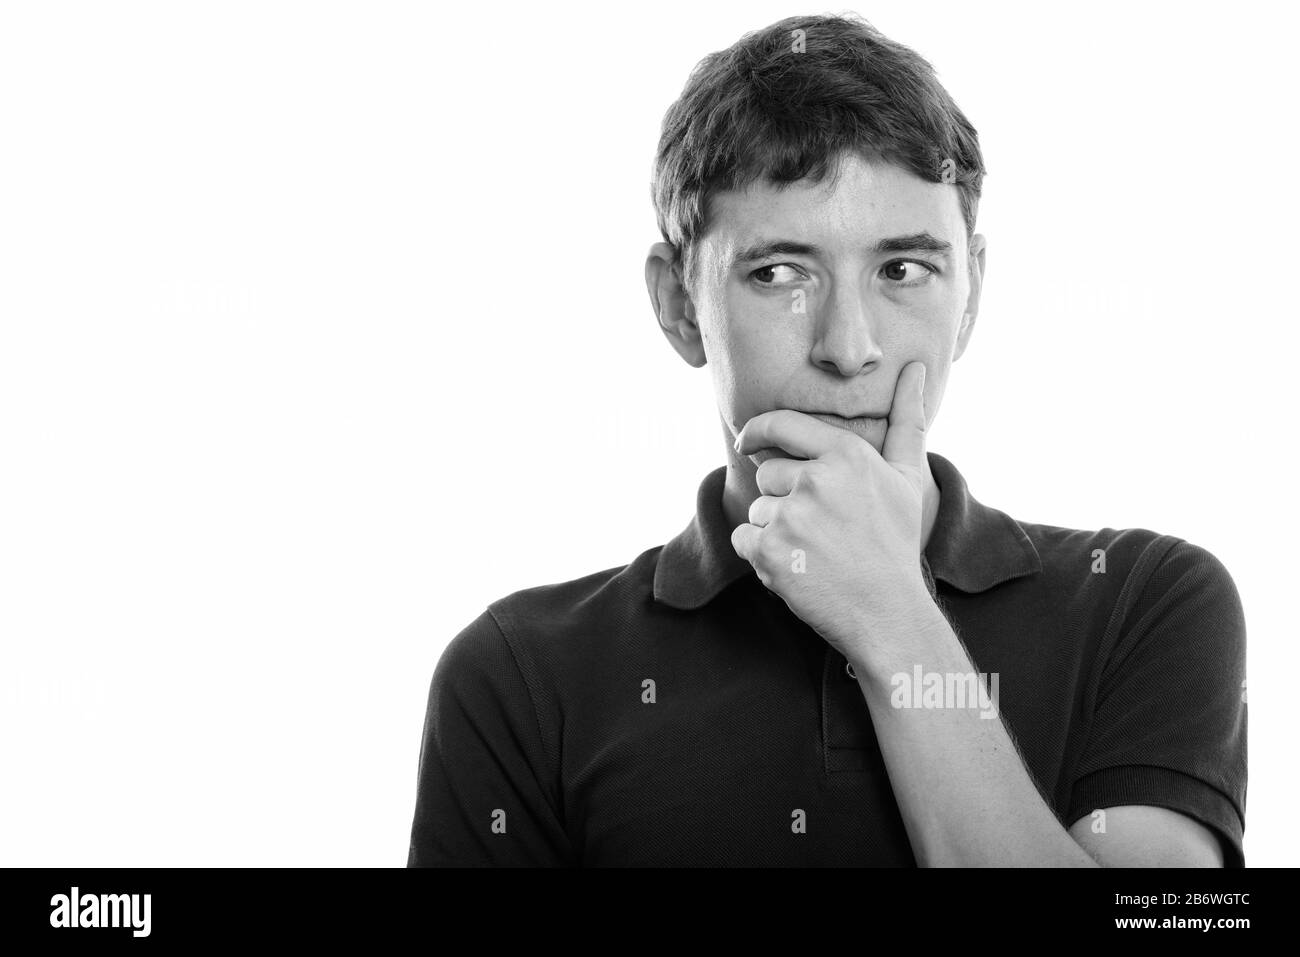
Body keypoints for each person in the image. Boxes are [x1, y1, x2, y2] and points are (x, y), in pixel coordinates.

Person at [407, 12, 1246, 867]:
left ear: (971, 295)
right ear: (677, 305)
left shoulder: (1148, 604)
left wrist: (891, 616)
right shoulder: (517, 677)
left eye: (903, 270)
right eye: (779, 274)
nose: (849, 347)